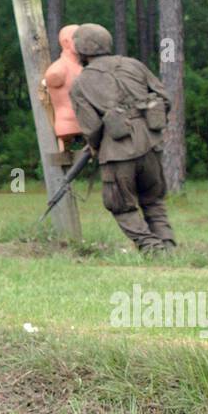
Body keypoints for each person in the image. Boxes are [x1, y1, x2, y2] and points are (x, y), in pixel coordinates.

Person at [67, 23, 175, 252]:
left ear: (81, 50)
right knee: (153, 200)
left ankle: (152, 248)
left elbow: (91, 127)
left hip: (117, 153)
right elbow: (164, 99)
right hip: (151, 147)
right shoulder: (134, 65)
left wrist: (96, 147)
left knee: (121, 205)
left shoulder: (81, 83)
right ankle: (168, 246)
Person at [41, 25, 83, 151]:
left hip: (88, 124)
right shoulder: (57, 71)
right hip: (68, 125)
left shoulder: (84, 67)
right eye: (78, 38)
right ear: (66, 42)